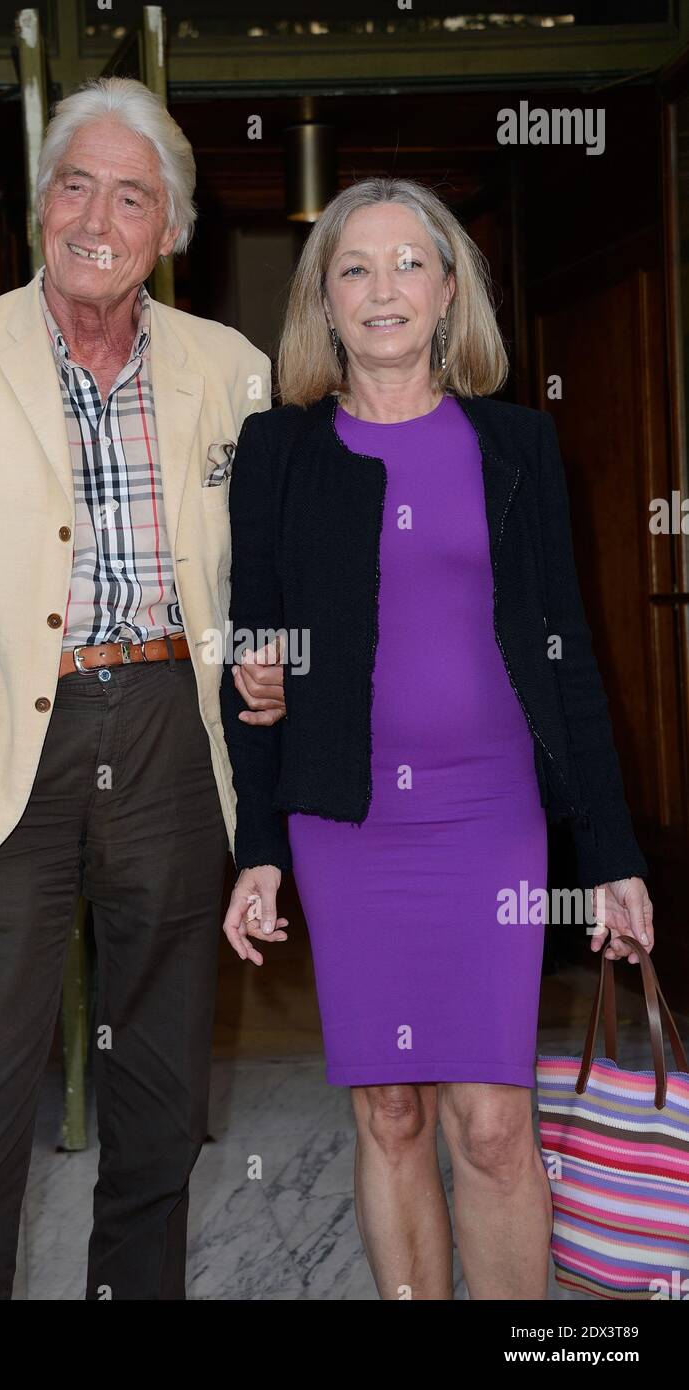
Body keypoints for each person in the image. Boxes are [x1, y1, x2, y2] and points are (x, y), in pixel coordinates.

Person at [0, 76, 284, 1302]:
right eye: (74, 183)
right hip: (2, 747)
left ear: (171, 228)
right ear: (43, 202)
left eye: (130, 194)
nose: (97, 213)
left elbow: (270, 571)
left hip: (165, 739)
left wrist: (268, 657)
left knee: (157, 1103)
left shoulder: (231, 368)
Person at [219, 177, 654, 1300]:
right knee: (390, 1107)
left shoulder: (514, 444)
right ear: (321, 299)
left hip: (489, 815)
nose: (381, 289)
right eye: (352, 267)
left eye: (408, 263)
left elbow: (568, 650)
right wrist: (256, 845)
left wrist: (609, 854)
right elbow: (251, 659)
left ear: (450, 290)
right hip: (345, 819)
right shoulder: (276, 451)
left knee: (495, 1122)